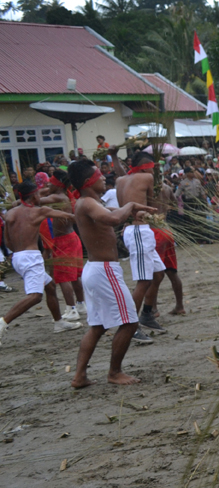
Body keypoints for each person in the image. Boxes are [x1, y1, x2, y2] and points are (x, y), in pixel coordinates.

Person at [69, 160, 158, 386]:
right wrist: (132, 204)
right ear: (89, 181)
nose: (103, 178)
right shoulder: (87, 202)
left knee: (98, 326)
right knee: (129, 322)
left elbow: (114, 213)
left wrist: (139, 210)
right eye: (99, 176)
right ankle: (114, 372)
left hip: (96, 270)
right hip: (104, 271)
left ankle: (80, 376)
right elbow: (114, 219)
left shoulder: (89, 202)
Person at [0, 181, 82, 346]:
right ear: (34, 196)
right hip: (31, 257)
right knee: (36, 296)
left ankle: (59, 322)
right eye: (38, 194)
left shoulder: (10, 213)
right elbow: (70, 217)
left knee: (50, 286)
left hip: (17, 257)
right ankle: (3, 322)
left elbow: (7, 241)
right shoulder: (40, 211)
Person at [115, 151, 165, 342]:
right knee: (144, 280)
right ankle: (130, 325)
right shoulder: (148, 177)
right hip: (139, 231)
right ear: (149, 166)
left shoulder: (120, 180)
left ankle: (147, 313)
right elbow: (154, 204)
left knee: (158, 273)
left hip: (134, 230)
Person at [39, 170, 86, 320]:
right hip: (72, 238)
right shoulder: (64, 195)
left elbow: (35, 200)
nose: (47, 184)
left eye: (51, 183)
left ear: (58, 185)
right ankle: (80, 304)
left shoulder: (56, 197)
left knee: (63, 278)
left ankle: (71, 309)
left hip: (64, 241)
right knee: (74, 276)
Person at [147, 177, 185, 316]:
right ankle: (179, 306)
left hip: (155, 231)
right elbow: (174, 203)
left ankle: (153, 308)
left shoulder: (148, 188)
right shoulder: (167, 188)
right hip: (166, 230)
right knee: (171, 270)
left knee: (154, 273)